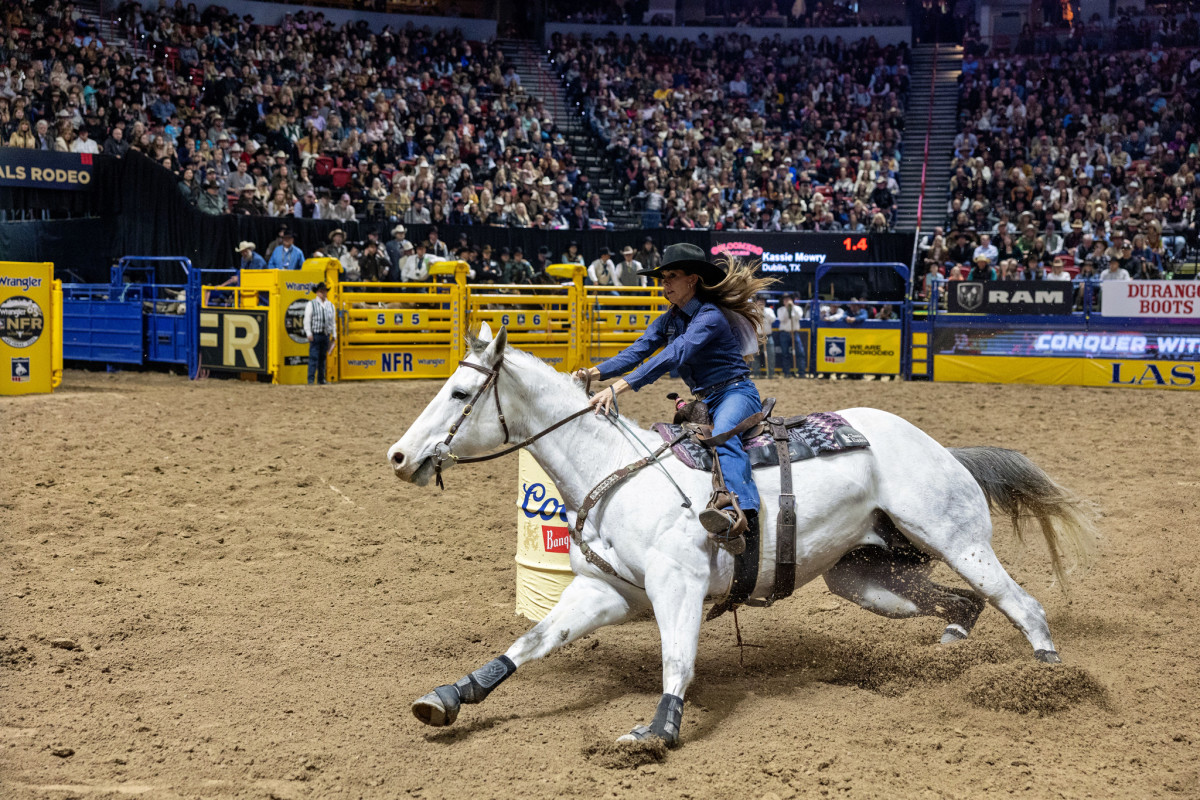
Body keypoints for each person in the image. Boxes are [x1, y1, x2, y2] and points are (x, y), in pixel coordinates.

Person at [576, 243, 773, 553]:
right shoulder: (671, 319)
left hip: (736, 392)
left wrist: (618, 388)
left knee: (722, 436)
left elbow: (673, 355)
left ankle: (742, 513)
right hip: (707, 399)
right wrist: (594, 373)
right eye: (662, 277)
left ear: (692, 279)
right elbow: (638, 351)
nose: (664, 283)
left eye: (671, 276)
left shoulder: (710, 317)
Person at [303, 282, 336, 385]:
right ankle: (311, 380)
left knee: (322, 358)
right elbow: (307, 319)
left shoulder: (330, 305)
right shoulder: (311, 304)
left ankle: (321, 379)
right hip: (316, 334)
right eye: (321, 291)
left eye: (324, 291)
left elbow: (332, 321)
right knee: (314, 357)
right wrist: (309, 332)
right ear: (317, 292)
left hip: (325, 334)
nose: (323, 293)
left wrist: (334, 335)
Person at [775, 294, 805, 377]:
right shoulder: (780, 309)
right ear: (783, 301)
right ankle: (787, 373)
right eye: (785, 300)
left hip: (794, 332)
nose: (787, 301)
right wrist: (787, 309)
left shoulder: (798, 308)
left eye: (788, 299)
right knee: (785, 353)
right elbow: (782, 319)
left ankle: (801, 373)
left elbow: (798, 317)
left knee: (800, 353)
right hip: (784, 333)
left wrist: (792, 309)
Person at [753, 296, 776, 379]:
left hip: (767, 336)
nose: (761, 302)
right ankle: (756, 374)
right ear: (755, 302)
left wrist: (763, 313)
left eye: (762, 300)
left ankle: (770, 374)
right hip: (756, 337)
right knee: (755, 356)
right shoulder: (752, 311)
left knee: (770, 355)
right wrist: (758, 312)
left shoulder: (769, 310)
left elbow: (773, 319)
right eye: (759, 300)